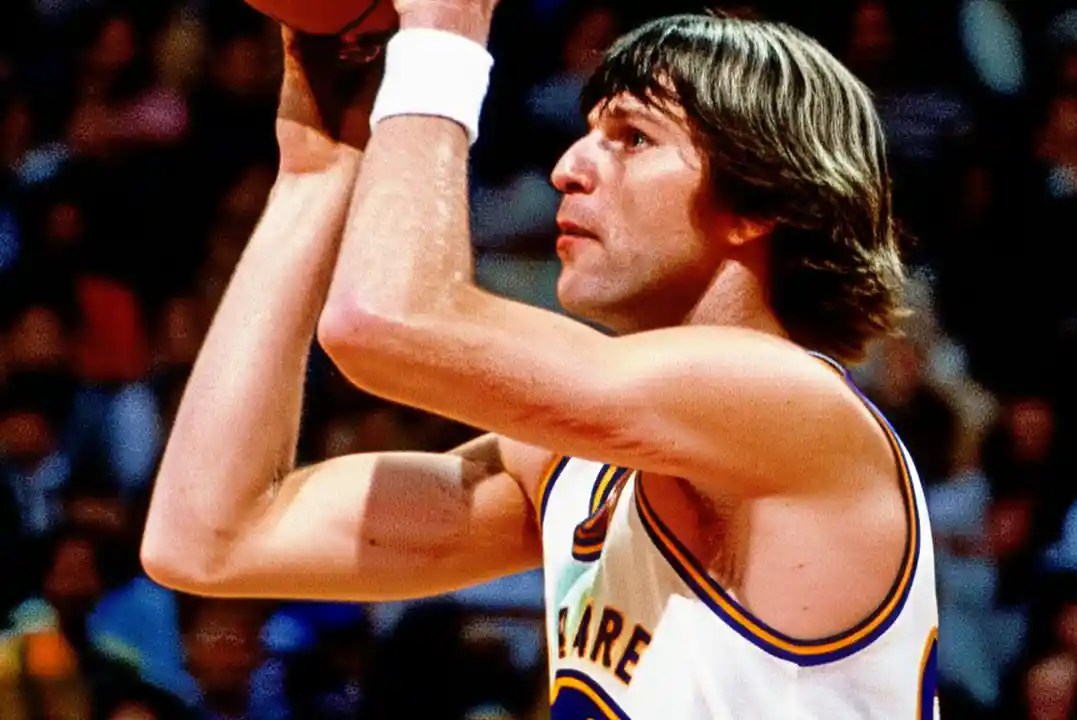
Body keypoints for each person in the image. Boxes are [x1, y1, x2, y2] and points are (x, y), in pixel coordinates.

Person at [140, 2, 940, 717]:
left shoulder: (794, 410)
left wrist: (442, 40)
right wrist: (316, 173)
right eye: (588, 130)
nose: (570, 166)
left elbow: (383, 323)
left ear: (759, 202)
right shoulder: (570, 470)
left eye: (631, 138)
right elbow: (208, 537)